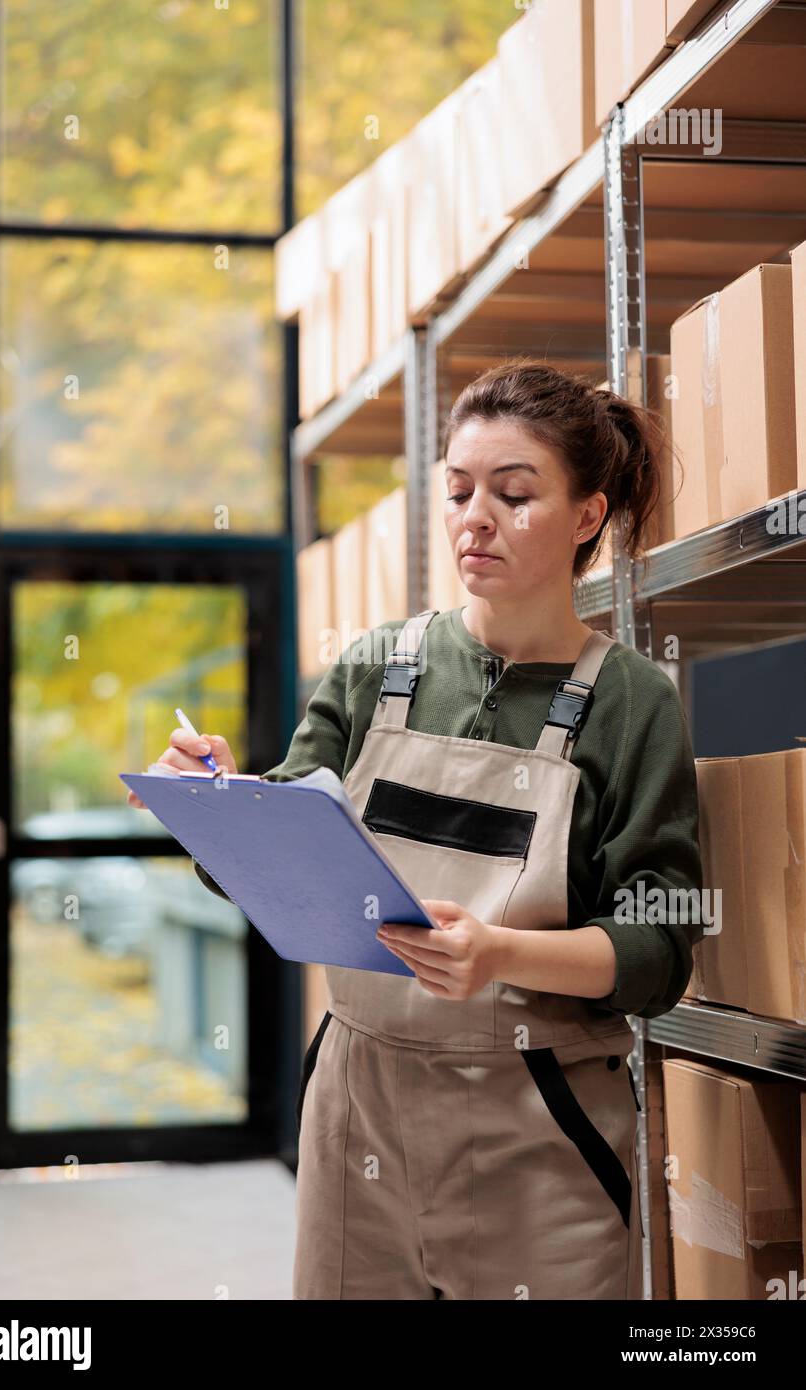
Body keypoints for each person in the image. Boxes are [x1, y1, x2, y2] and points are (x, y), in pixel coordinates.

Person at [128, 358, 702, 1301]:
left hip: (539, 1123)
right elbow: (274, 861)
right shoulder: (373, 668)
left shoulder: (634, 703)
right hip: (359, 1108)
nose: (476, 517)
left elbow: (658, 948)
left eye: (515, 495)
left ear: (587, 517)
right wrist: (217, 805)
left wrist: (499, 953)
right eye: (460, 489)